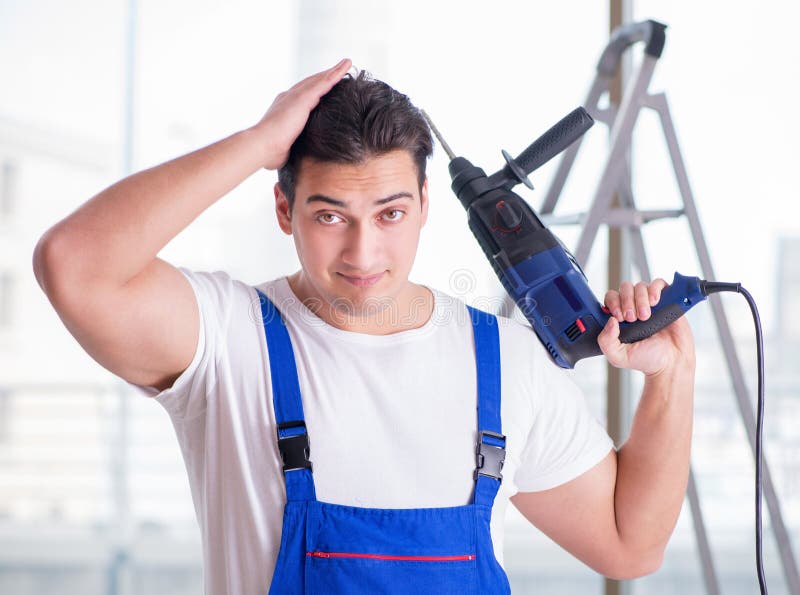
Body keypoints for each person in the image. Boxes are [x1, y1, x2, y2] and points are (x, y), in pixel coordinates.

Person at [32, 58, 696, 594]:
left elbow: (629, 543)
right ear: (284, 209)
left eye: (389, 213)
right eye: (330, 216)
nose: (362, 252)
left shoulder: (507, 360)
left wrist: (672, 373)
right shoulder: (227, 341)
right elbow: (74, 264)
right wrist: (259, 143)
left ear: (426, 205)